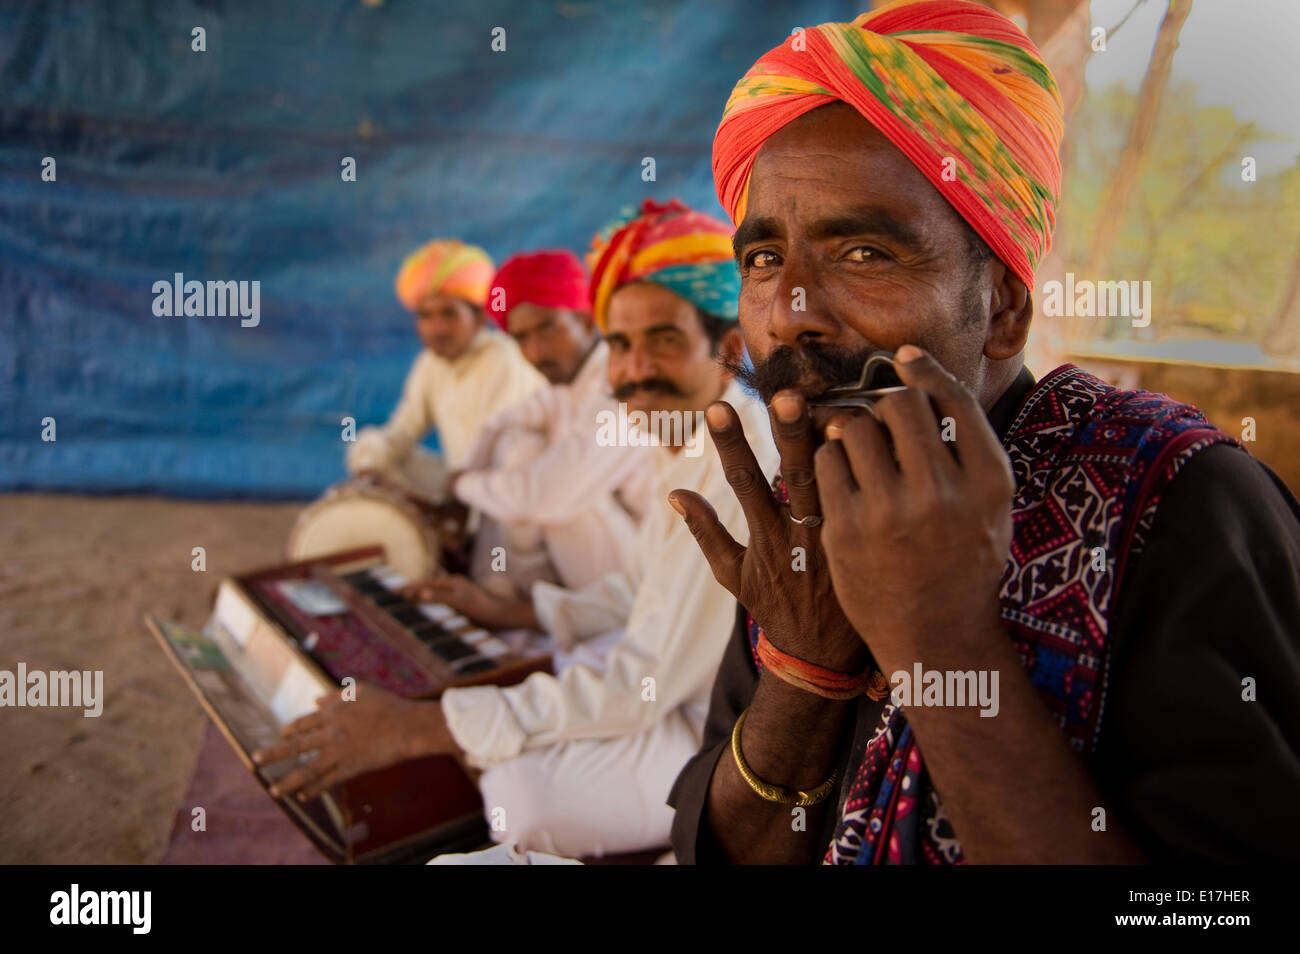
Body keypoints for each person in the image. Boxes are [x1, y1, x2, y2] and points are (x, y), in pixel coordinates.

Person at [667, 0, 1300, 864]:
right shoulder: (807, 504)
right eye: (764, 259)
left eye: (864, 255)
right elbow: (729, 849)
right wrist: (805, 671)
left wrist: (938, 639)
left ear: (1002, 307)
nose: (788, 313)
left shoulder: (1181, 502)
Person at [256, 200, 780, 859]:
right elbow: (646, 594)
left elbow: (643, 680)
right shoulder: (680, 429)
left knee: (519, 799)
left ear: (729, 347)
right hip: (669, 687)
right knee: (514, 715)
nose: (634, 369)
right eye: (619, 344)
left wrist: (426, 728)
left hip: (717, 733)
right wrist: (518, 608)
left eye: (664, 341)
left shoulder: (737, 469)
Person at [451, 249, 654, 599]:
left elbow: (545, 496)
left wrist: (462, 485)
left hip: (654, 572)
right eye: (522, 338)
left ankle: (531, 609)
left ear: (587, 322)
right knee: (516, 445)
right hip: (599, 561)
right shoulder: (566, 383)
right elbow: (500, 425)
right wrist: (460, 481)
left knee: (561, 499)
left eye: (548, 329)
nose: (537, 351)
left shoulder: (621, 381)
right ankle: (515, 593)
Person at [345, 238, 544, 501]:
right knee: (379, 453)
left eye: (449, 314)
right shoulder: (430, 363)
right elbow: (403, 431)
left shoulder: (504, 359)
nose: (437, 328)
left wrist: (464, 489)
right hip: (462, 484)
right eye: (426, 316)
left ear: (479, 318)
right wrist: (370, 465)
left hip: (513, 488)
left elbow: (500, 453)